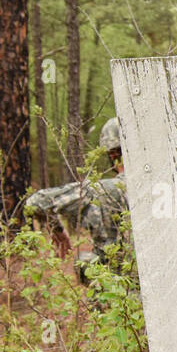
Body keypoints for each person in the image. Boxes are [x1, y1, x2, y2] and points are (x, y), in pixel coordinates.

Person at [23, 117, 130, 274]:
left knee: (84, 262)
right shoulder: (170, 186)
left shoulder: (101, 190)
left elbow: (36, 202)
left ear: (112, 155)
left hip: (117, 290)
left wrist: (56, 231)